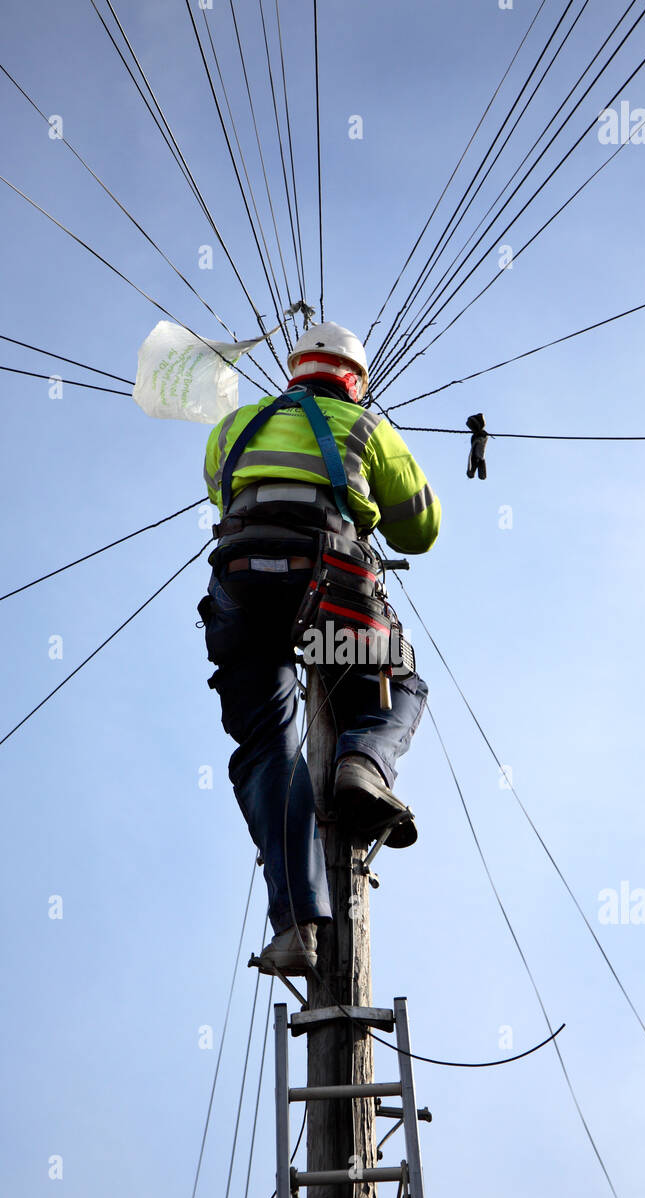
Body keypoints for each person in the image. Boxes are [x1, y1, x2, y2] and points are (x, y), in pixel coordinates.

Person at [198, 322, 440, 975]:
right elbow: (421, 529)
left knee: (268, 744)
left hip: (243, 597)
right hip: (330, 595)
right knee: (399, 684)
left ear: (293, 371)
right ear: (355, 382)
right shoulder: (368, 428)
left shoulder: (233, 427)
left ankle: (298, 925)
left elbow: (222, 493)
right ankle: (363, 760)